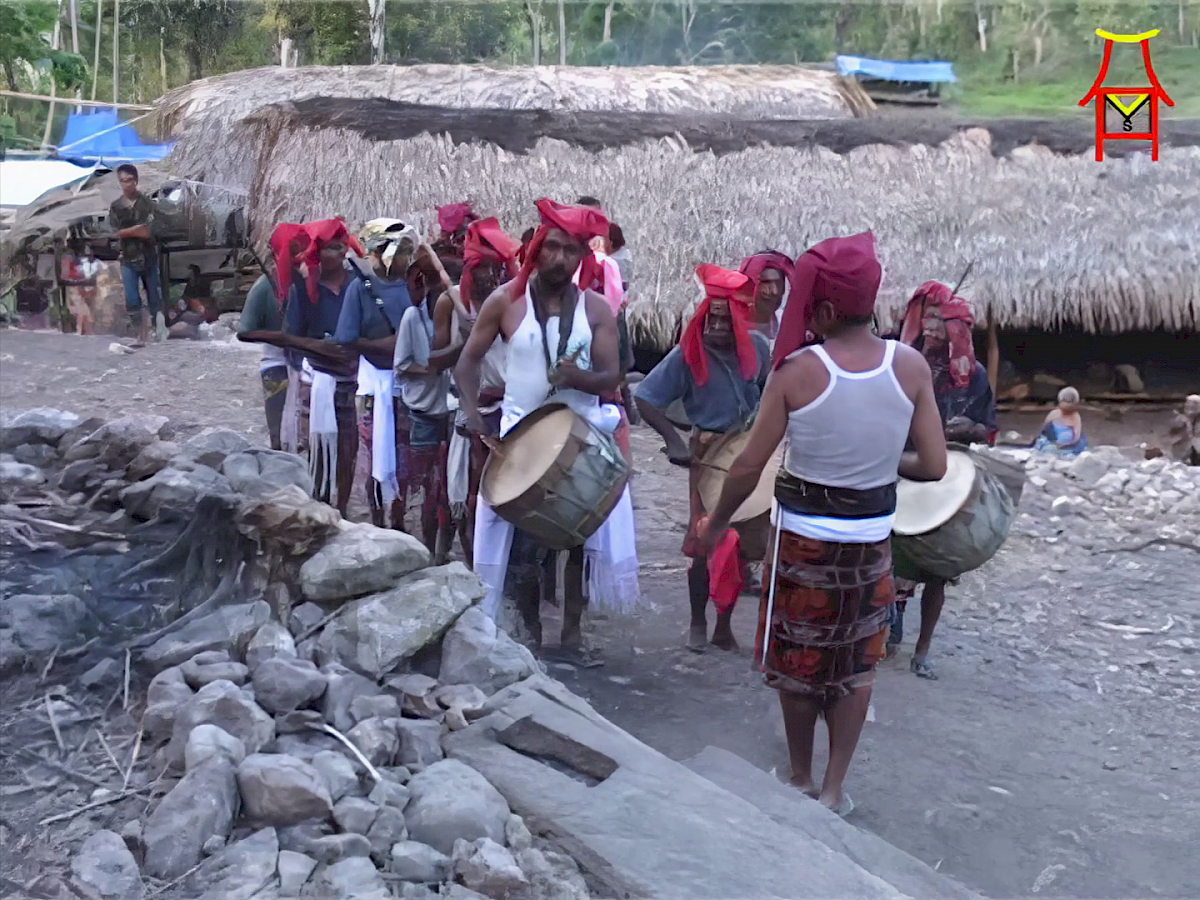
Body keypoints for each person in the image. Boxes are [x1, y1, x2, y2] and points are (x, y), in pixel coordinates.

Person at [695, 232, 947, 816]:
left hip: (804, 544)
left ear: (826, 310)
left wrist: (717, 522)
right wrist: (884, 457)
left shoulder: (797, 372)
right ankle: (835, 790)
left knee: (797, 662)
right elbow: (933, 465)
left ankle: (802, 778)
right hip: (871, 544)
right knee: (856, 666)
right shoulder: (907, 366)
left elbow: (749, 465)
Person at [457, 198, 639, 661]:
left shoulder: (597, 310)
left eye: (570, 251)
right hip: (521, 438)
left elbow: (610, 376)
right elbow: (468, 362)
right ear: (537, 249)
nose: (560, 259)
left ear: (583, 257)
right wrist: (472, 414)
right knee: (523, 544)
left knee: (577, 539)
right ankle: (527, 635)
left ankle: (572, 635)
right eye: (552, 248)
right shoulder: (506, 302)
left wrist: (578, 379)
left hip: (578, 436)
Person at [635, 264, 771, 651]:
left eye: (726, 322)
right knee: (705, 538)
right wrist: (674, 442)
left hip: (748, 452)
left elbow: (770, 389)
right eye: (711, 320)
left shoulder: (758, 349)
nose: (717, 329)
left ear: (740, 323)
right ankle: (698, 622)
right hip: (707, 455)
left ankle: (723, 625)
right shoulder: (686, 354)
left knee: (742, 542)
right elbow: (645, 397)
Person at [889, 280, 998, 677]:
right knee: (894, 552)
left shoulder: (975, 376)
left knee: (938, 568)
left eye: (941, 325)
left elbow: (986, 428)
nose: (933, 331)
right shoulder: (902, 362)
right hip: (902, 466)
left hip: (948, 476)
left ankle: (922, 650)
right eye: (928, 323)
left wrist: (965, 427)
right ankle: (891, 620)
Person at [433, 216, 521, 568]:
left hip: (512, 409)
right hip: (470, 410)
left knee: (512, 493)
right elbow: (433, 361)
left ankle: (508, 567)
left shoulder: (517, 303)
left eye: (496, 269)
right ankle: (472, 565)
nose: (489, 277)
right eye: (481, 269)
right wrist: (463, 343)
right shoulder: (449, 302)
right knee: (470, 495)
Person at [331, 219, 420, 529]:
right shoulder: (359, 288)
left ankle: (398, 520)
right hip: (374, 388)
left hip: (408, 386)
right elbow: (345, 338)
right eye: (402, 253)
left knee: (404, 459)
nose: (407, 260)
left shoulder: (412, 287)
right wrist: (383, 345)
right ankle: (377, 519)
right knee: (374, 456)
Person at [284, 218, 364, 516]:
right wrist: (315, 353)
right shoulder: (303, 290)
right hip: (316, 376)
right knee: (316, 445)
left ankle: (342, 505)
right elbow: (292, 336)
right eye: (329, 248)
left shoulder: (358, 284)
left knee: (349, 445)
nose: (337, 253)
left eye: (340, 247)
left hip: (354, 374)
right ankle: (318, 503)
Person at [394, 246, 459, 560]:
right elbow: (401, 365)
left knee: (450, 490)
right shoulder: (412, 317)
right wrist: (433, 368)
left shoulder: (461, 315)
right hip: (422, 410)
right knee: (425, 487)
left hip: (452, 412)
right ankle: (426, 550)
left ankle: (443, 550)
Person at [239, 224, 309, 451]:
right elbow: (244, 331)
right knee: (278, 429)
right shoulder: (262, 288)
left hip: (305, 363)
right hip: (276, 362)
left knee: (305, 432)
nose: (299, 258)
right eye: (294, 252)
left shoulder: (304, 282)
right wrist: (280, 338)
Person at [108, 164, 163, 345]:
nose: (127, 184)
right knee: (132, 299)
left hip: (148, 256)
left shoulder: (147, 204)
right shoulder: (116, 207)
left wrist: (127, 232)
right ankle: (140, 334)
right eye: (123, 181)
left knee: (154, 297)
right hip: (128, 258)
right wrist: (135, 230)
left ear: (136, 180)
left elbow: (148, 231)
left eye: (130, 180)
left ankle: (157, 331)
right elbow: (114, 232)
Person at [739, 250, 793, 340]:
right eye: (766, 282)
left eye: (778, 283)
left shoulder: (789, 325)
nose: (775, 291)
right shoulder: (731, 327)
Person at [60, 239, 99, 335]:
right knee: (82, 311)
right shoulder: (68, 257)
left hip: (84, 285)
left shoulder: (85, 257)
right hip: (74, 287)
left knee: (86, 311)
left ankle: (85, 331)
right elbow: (65, 275)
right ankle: (81, 331)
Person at [1034, 386, 1088, 456]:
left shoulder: (1075, 416)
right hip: (1051, 444)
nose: (1066, 411)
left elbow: (1076, 438)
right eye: (1064, 409)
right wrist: (1052, 442)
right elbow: (1043, 432)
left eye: (1069, 409)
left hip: (1068, 448)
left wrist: (1064, 445)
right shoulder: (1053, 414)